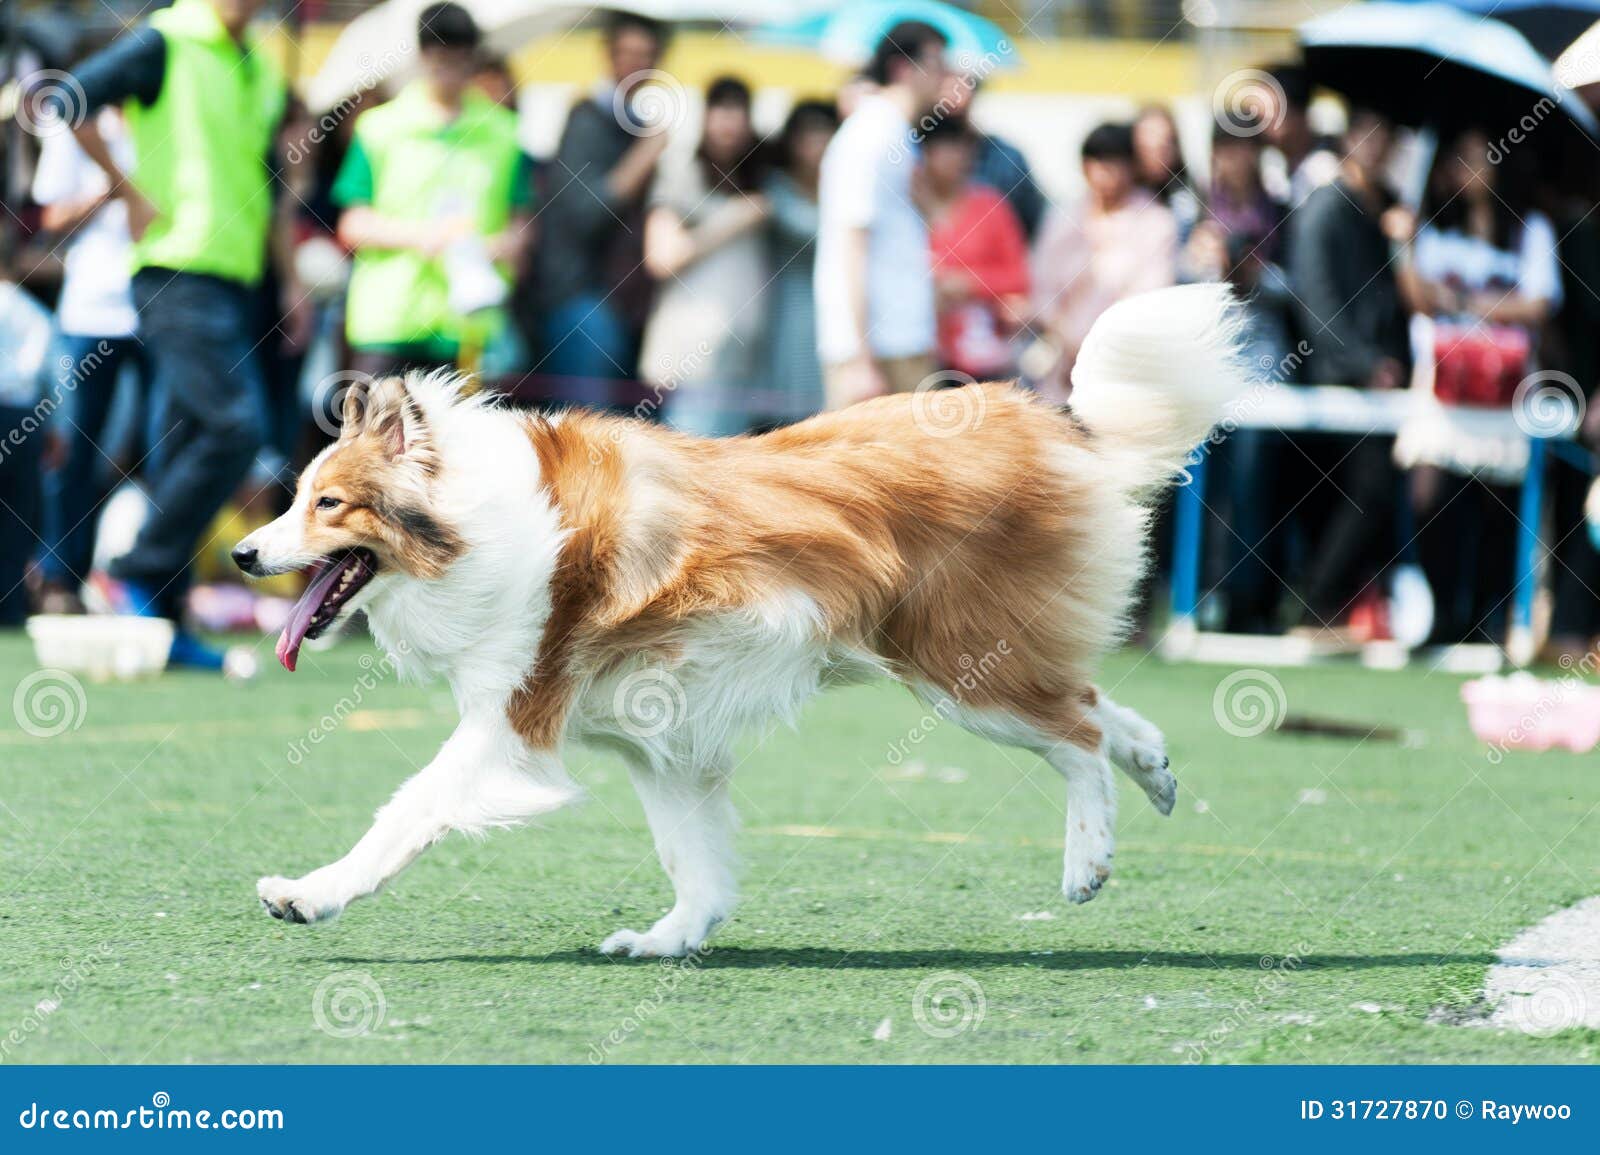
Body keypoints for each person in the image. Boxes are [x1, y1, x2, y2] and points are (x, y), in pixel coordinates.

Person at [58, 0, 294, 670]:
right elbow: (72, 98)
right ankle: (134, 569)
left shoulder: (258, 65)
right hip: (175, 272)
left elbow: (267, 179)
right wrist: (125, 190)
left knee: (189, 440)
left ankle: (163, 616)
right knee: (235, 427)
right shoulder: (167, 41)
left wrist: (290, 283)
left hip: (235, 279)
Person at [1393, 129, 1561, 646]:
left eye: (1479, 158)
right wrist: (1400, 242)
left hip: (1504, 388)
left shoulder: (1528, 230)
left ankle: (1487, 619)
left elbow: (1539, 304)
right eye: (1459, 159)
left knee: (1498, 502)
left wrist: (1465, 305)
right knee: (1429, 494)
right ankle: (1444, 611)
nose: (1469, 170)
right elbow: (1420, 299)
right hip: (1443, 384)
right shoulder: (1434, 227)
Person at [334, 3, 534, 380]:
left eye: (460, 60)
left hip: (466, 325)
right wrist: (424, 237)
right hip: (390, 322)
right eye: (441, 59)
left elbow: (521, 222)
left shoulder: (503, 133)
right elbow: (353, 224)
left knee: (459, 438)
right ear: (423, 57)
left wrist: (504, 245)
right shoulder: (379, 129)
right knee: (379, 435)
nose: (450, 72)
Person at [1286, 107, 1411, 637]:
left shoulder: (1382, 212)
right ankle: (1316, 608)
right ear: (1351, 140)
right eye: (1370, 134)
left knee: (1370, 496)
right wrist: (1365, 363)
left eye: (1387, 136)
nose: (1379, 147)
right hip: (1340, 382)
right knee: (1370, 490)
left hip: (1373, 383)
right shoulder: (1326, 208)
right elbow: (1316, 304)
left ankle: (1333, 608)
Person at [29, 104, 150, 614]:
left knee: (155, 451)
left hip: (161, 307)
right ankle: (59, 578)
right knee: (74, 450)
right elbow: (51, 218)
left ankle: (145, 582)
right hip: (90, 315)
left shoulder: (171, 118)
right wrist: (113, 188)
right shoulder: (72, 129)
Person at [815, 21, 951, 409]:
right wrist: (860, 359)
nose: (945, 74)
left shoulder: (894, 133)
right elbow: (851, 243)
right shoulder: (872, 133)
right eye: (936, 62)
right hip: (881, 347)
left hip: (899, 338)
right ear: (902, 68)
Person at [534, 12, 670, 402]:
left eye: (646, 54)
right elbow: (587, 213)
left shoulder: (635, 122)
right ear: (609, 55)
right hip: (580, 301)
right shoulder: (587, 120)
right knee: (585, 436)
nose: (635, 63)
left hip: (619, 301)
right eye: (627, 53)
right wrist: (646, 155)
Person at [641, 77, 770, 436]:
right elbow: (661, 256)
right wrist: (734, 219)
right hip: (694, 362)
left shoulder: (758, 174)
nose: (729, 122)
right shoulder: (682, 171)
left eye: (738, 111)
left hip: (743, 364)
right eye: (720, 109)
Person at [1029, 122, 1177, 398]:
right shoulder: (1064, 217)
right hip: (1062, 366)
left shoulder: (1155, 223)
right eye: (1095, 163)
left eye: (1113, 164)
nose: (1102, 174)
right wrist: (1067, 340)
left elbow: (1148, 298)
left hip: (1124, 369)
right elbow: (1042, 288)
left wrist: (1093, 349)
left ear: (1132, 167)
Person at [920, 116, 1030, 380]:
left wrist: (969, 284)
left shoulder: (990, 206)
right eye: (941, 149)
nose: (951, 158)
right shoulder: (907, 209)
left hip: (982, 352)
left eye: (959, 148)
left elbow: (1019, 276)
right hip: (922, 347)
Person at [760, 99, 837, 426]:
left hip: (833, 316)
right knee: (789, 419)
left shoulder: (838, 189)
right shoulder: (776, 187)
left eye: (824, 134)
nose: (816, 144)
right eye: (807, 135)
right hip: (786, 313)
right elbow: (814, 231)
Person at [935, 70, 1047, 238]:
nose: (953, 94)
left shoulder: (1007, 159)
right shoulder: (909, 157)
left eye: (961, 83)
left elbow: (1031, 226)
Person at [1258, 63, 1339, 210]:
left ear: (1299, 114)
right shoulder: (1273, 168)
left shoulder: (1328, 168)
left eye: (1270, 113)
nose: (1260, 124)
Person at [1132, 104, 1200, 239]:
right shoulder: (1121, 195)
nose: (1157, 156)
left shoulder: (1188, 194)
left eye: (1164, 146)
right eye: (1147, 147)